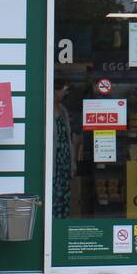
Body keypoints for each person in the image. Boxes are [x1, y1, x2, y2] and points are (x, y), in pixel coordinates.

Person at [52, 82, 74, 218]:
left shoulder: (62, 109)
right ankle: (52, 221)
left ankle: (62, 220)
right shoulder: (45, 108)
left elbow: (68, 135)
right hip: (53, 157)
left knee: (64, 190)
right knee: (53, 190)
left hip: (64, 157)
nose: (65, 94)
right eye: (63, 90)